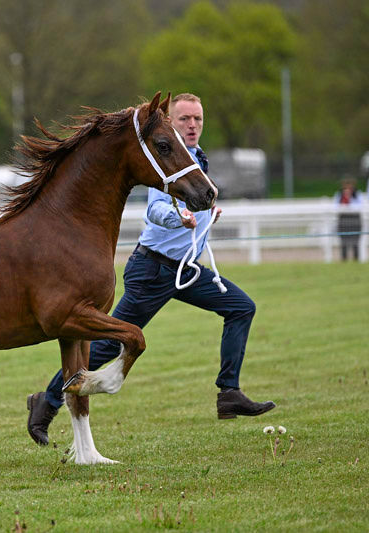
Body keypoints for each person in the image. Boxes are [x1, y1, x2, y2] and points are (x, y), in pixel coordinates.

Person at [26, 93, 276, 446]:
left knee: (241, 307)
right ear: (170, 124)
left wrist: (205, 216)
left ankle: (229, 393)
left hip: (185, 271)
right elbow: (156, 210)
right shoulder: (165, 158)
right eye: (185, 119)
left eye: (198, 119)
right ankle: (46, 402)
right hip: (154, 272)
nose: (192, 125)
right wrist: (180, 217)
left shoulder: (195, 160)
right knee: (102, 348)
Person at [333, 177, 363, 261]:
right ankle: (344, 259)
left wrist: (350, 199)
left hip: (355, 219)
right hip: (343, 219)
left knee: (355, 241)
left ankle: (356, 259)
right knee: (343, 242)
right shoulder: (339, 195)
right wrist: (345, 199)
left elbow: (359, 207)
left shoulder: (357, 194)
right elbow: (336, 207)